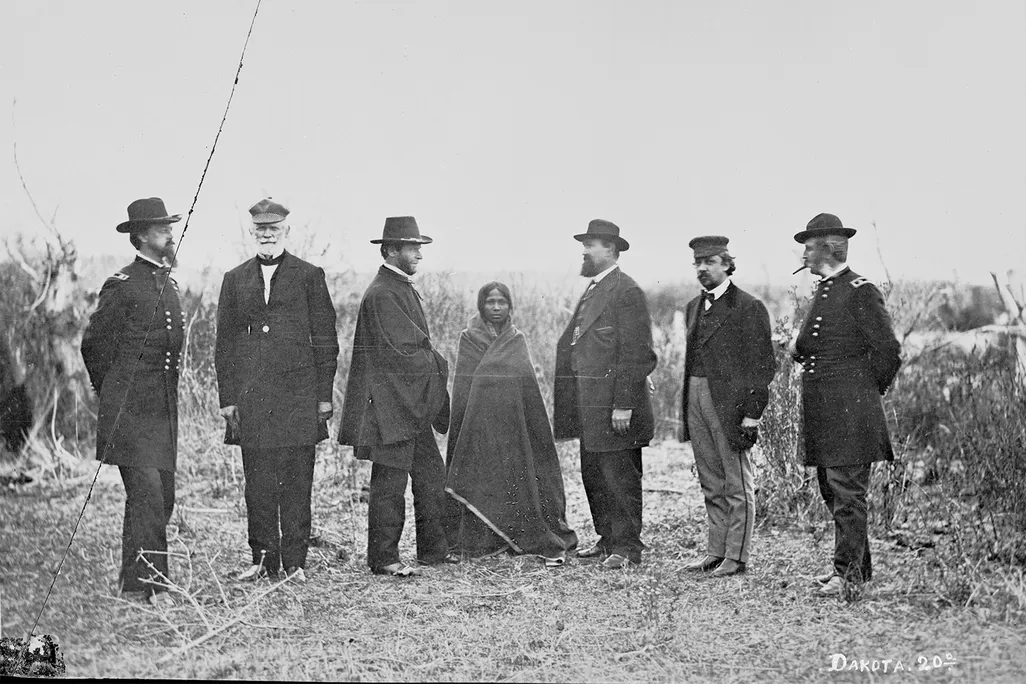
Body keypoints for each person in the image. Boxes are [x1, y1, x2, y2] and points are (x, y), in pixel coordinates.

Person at [214, 198, 339, 583]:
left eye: (274, 229)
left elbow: (326, 338)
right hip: (253, 400)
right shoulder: (235, 279)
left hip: (299, 398)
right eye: (260, 230)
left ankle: (295, 563)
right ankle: (263, 559)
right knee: (258, 484)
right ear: (252, 233)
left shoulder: (309, 275)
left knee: (298, 482)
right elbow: (224, 343)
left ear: (286, 231)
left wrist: (324, 395)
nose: (267, 235)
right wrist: (227, 399)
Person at [338, 216, 457, 577]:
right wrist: (439, 364)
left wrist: (431, 366)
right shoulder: (383, 293)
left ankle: (434, 551)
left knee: (431, 476)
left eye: (420, 247)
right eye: (412, 247)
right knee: (390, 482)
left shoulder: (397, 287)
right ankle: (384, 558)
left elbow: (411, 350)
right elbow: (402, 354)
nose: (419, 254)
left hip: (408, 405)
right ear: (391, 250)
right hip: (390, 407)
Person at [81, 197, 186, 607]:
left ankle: (132, 580)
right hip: (129, 411)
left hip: (162, 411)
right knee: (149, 496)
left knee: (162, 495)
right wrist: (111, 391)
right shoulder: (121, 284)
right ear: (141, 236)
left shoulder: (169, 283)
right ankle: (155, 586)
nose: (170, 235)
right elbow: (94, 345)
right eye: (163, 229)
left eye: (170, 228)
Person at [791, 213, 901, 597]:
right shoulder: (826, 289)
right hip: (825, 411)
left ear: (828, 249)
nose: (804, 254)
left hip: (851, 413)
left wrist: (865, 393)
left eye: (809, 247)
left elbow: (888, 351)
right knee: (832, 490)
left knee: (847, 494)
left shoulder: (860, 291)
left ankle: (848, 575)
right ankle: (856, 569)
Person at [444, 282, 578, 566]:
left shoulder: (517, 340)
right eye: (490, 302)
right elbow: (464, 387)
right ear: (481, 305)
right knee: (481, 475)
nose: (496, 308)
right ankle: (484, 539)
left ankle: (514, 533)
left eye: (501, 302)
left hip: (512, 425)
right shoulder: (468, 338)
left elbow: (527, 389)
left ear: (509, 306)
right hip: (478, 426)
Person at [553, 219, 657, 569]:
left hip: (614, 406)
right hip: (590, 405)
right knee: (595, 474)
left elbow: (637, 353)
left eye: (590, 245)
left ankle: (627, 548)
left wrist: (624, 404)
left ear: (610, 249)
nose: (584, 251)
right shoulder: (596, 288)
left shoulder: (626, 291)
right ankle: (607, 538)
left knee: (620, 476)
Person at [680, 236, 776, 577]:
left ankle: (736, 555)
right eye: (698, 262)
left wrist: (752, 414)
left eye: (709, 261)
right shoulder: (694, 306)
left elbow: (763, 366)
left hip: (730, 405)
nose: (702, 268)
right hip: (696, 395)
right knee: (711, 480)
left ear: (726, 264)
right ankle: (715, 551)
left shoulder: (748, 306)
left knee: (736, 481)